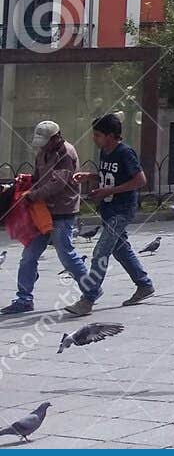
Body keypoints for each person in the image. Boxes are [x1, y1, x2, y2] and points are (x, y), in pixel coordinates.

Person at [67, 113, 154, 316]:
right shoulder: (105, 152)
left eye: (98, 135)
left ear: (112, 135)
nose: (94, 139)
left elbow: (140, 180)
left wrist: (109, 192)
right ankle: (144, 284)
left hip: (122, 210)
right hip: (109, 209)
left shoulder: (125, 152)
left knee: (100, 252)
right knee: (120, 249)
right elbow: (112, 176)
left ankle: (88, 298)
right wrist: (91, 176)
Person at [2, 121, 89, 316]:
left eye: (45, 142)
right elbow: (39, 177)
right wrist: (19, 184)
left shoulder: (66, 153)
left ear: (56, 137)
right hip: (43, 212)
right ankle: (24, 299)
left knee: (67, 255)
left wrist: (31, 195)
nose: (42, 146)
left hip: (63, 212)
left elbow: (56, 185)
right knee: (29, 257)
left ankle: (90, 291)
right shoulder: (43, 152)